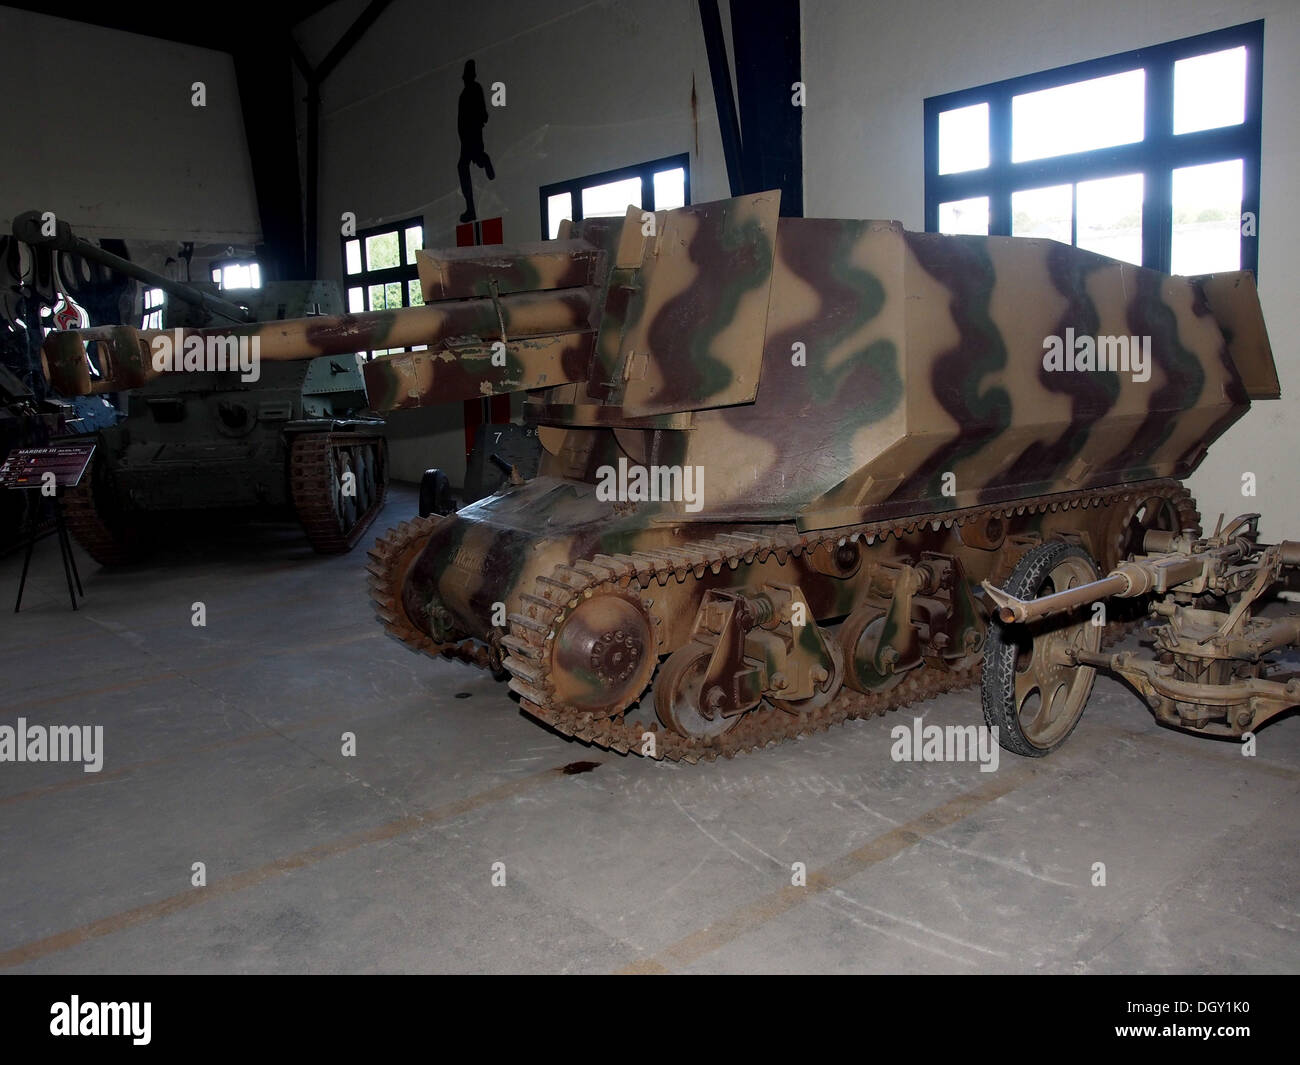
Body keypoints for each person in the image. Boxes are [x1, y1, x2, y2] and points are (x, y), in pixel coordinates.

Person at [457, 60, 495, 223]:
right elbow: (461, 121)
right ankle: (470, 208)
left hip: (472, 135)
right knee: (465, 165)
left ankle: (471, 209)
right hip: (467, 137)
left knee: (470, 162)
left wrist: (475, 127)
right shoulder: (465, 94)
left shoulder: (472, 90)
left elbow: (481, 114)